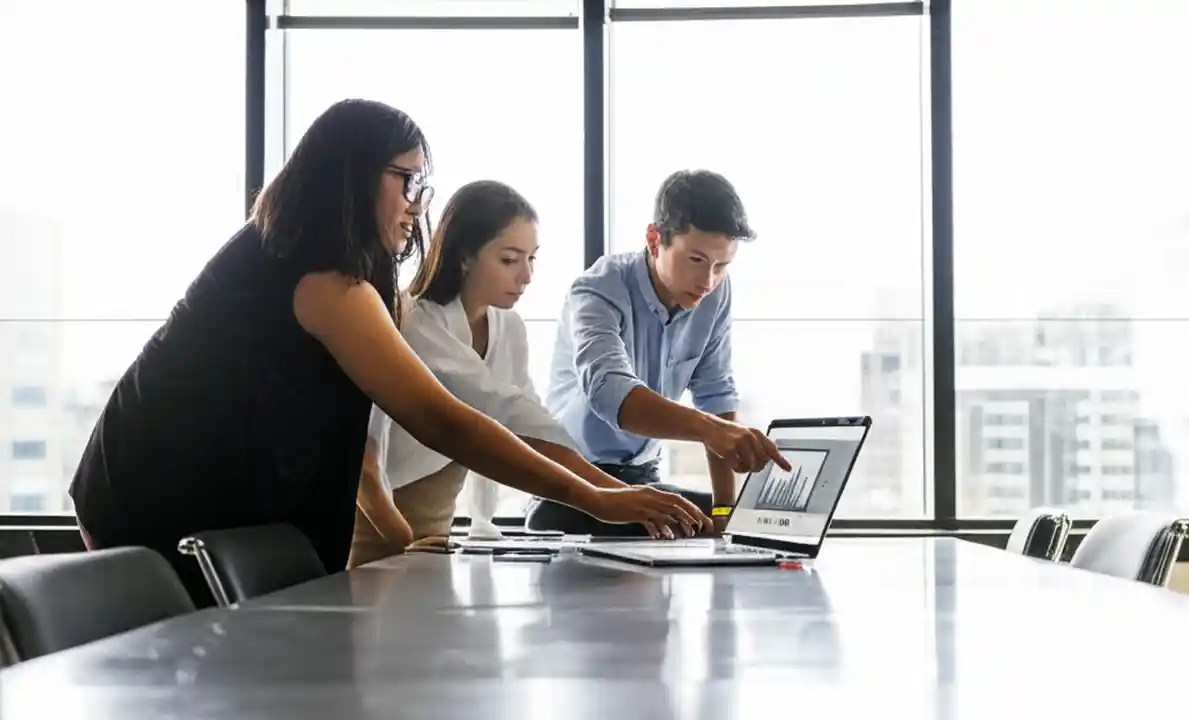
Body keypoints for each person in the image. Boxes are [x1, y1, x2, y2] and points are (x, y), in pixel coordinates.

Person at [68, 99, 709, 606]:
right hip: (153, 496)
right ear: (350, 174)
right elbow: (441, 419)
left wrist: (598, 492)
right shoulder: (320, 278)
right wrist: (595, 497)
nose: (416, 204)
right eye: (407, 181)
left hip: (184, 494)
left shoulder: (315, 262)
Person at [350, 181, 693, 567]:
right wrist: (606, 496)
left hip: (435, 529)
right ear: (464, 257)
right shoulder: (416, 321)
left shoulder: (508, 327)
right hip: (381, 523)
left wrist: (620, 495)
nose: (526, 275)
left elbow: (534, 421)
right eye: (510, 260)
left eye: (532, 259)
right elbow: (504, 411)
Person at [530, 170, 788, 536]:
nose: (708, 281)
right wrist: (712, 430)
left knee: (755, 520)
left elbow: (716, 394)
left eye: (721, 266)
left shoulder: (714, 293)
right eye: (696, 260)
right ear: (654, 240)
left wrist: (724, 512)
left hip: (645, 479)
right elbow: (610, 394)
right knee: (667, 526)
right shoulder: (597, 290)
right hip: (573, 485)